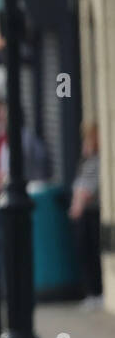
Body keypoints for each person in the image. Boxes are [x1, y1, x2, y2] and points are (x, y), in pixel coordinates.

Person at [69, 122, 103, 309]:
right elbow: (78, 186)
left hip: (91, 212)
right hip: (82, 213)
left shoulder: (97, 162)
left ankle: (97, 291)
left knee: (92, 251)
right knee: (84, 252)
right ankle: (91, 292)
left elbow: (90, 189)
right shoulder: (85, 162)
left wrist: (79, 203)